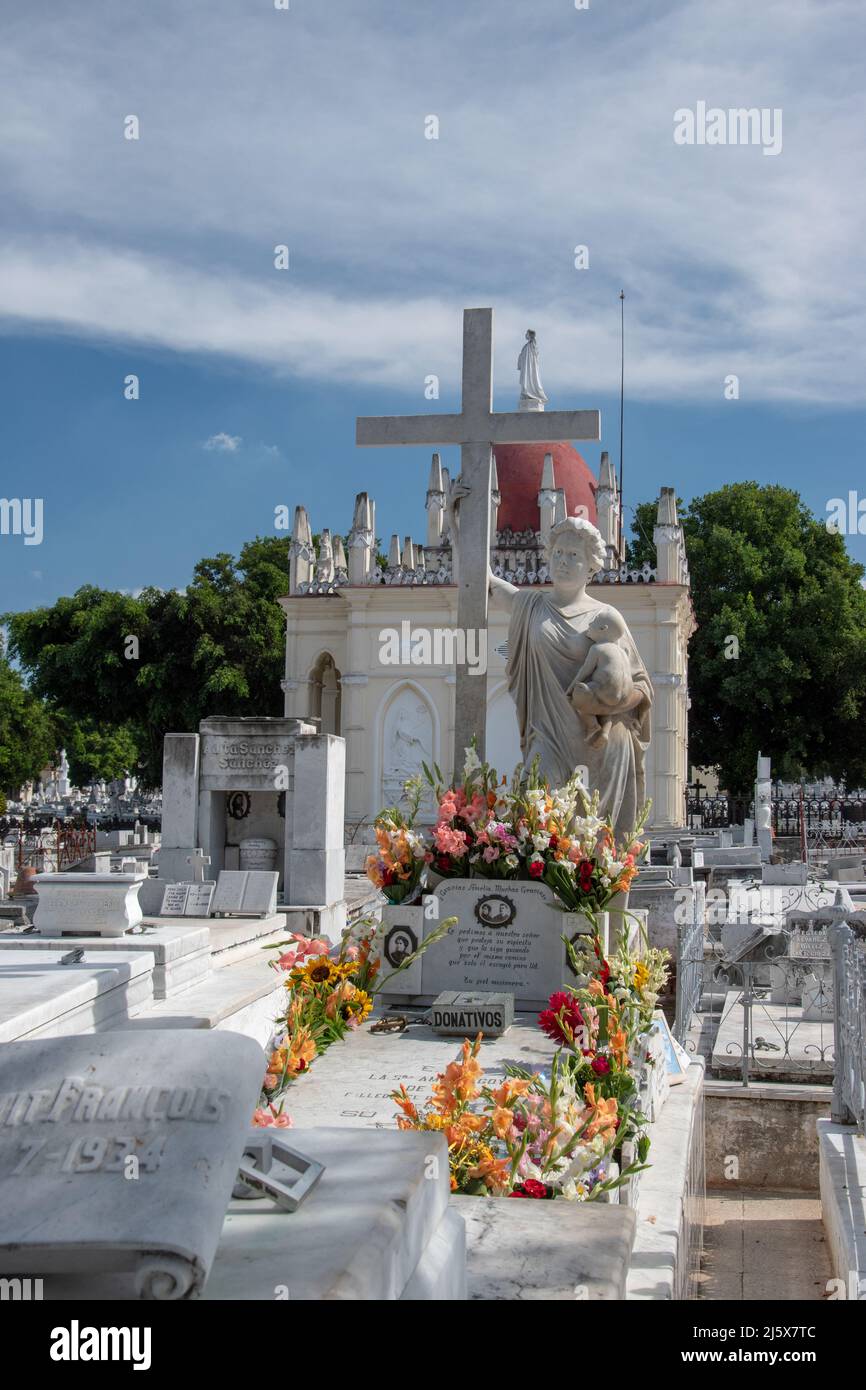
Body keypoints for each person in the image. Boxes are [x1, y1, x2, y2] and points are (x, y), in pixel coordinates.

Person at [489, 516, 652, 840]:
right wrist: (460, 521)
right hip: (547, 733)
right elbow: (487, 584)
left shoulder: (605, 618)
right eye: (559, 553)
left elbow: (641, 685)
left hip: (603, 747)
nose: (563, 561)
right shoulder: (531, 606)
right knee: (537, 821)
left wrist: (609, 702)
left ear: (591, 566)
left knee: (599, 850)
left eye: (574, 555)